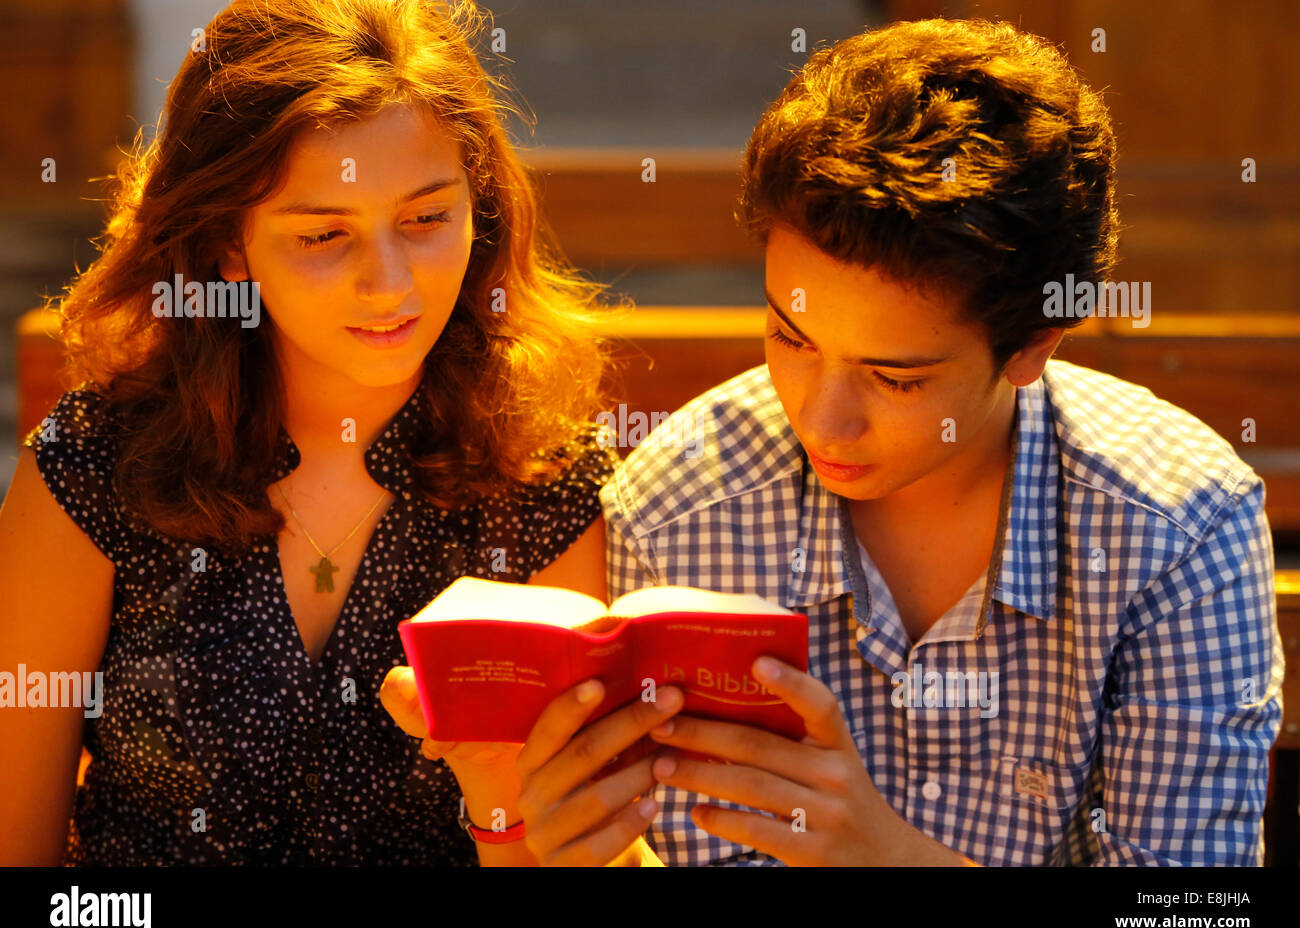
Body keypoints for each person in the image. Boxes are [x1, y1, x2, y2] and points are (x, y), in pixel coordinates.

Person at [390, 17, 1282, 866]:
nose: (820, 418)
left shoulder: (1178, 530)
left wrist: (881, 853)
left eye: (896, 379)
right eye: (790, 337)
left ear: (1034, 347)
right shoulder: (678, 506)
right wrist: (541, 829)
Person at [0, 0, 621, 866]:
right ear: (227, 243)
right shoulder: (95, 469)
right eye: (325, 234)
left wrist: (500, 804)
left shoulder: (542, 478)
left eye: (427, 218)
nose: (389, 282)